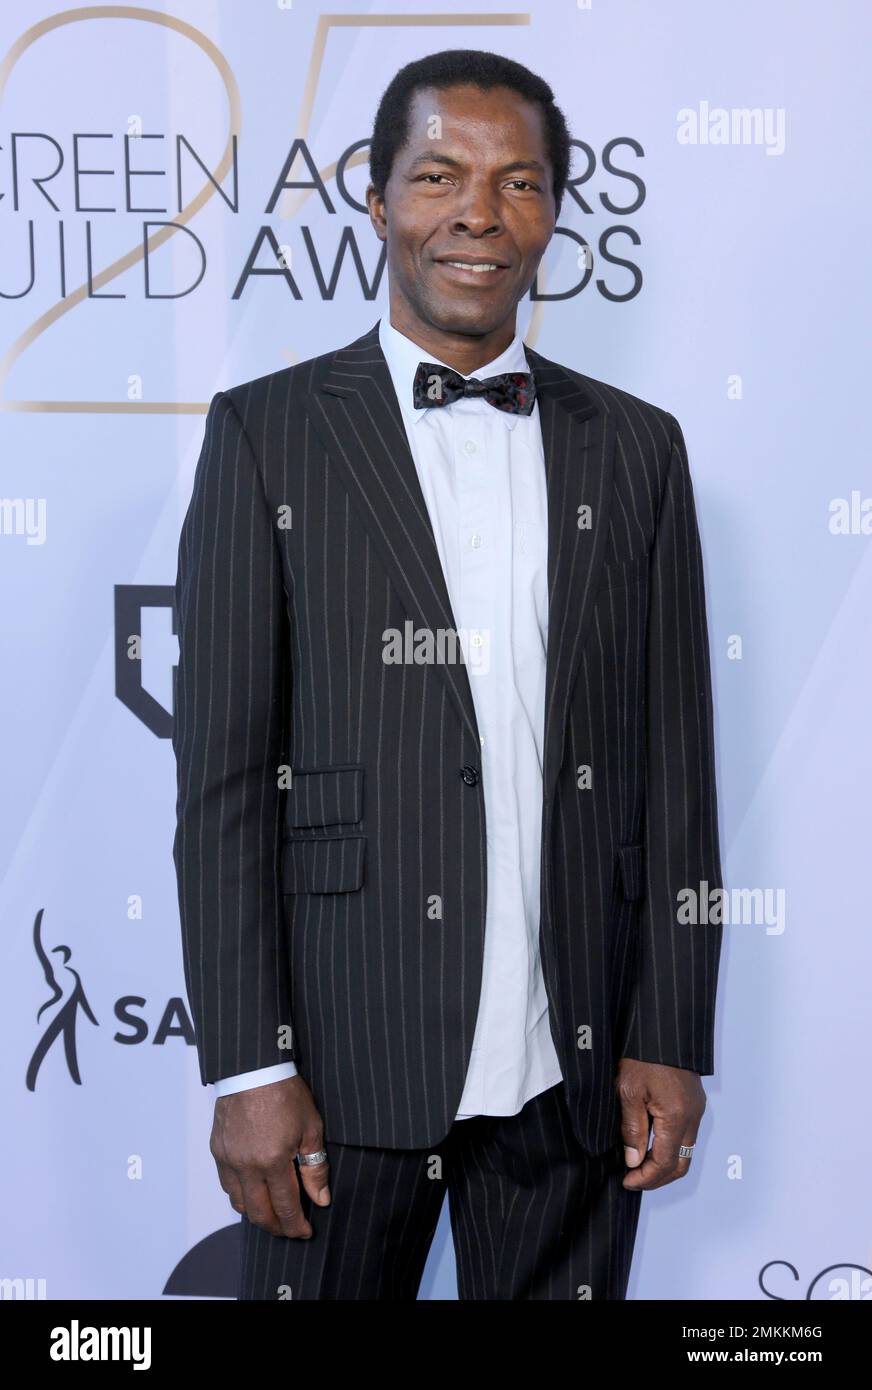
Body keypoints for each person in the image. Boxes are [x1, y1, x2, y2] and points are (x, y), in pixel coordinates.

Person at [172, 48, 724, 1301]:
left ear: (553, 213)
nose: (478, 215)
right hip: (340, 1061)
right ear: (376, 198)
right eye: (438, 175)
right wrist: (246, 1068)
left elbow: (677, 766)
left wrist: (667, 1032)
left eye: (517, 183)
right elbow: (218, 784)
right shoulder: (267, 432)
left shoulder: (636, 447)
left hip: (568, 1060)